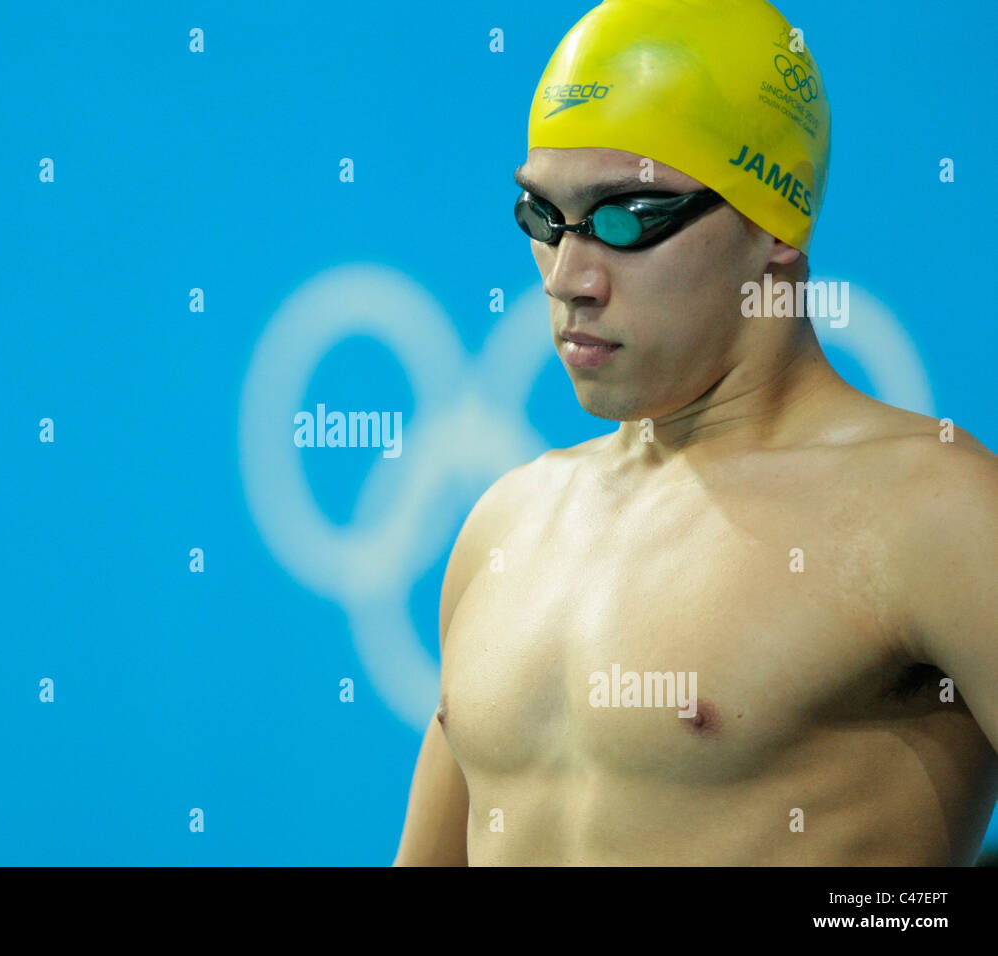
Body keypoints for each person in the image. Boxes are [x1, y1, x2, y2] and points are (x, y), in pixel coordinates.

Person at [393, 0, 998, 865]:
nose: (571, 275)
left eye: (626, 217)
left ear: (773, 226)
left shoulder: (931, 510)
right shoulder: (508, 524)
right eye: (542, 217)